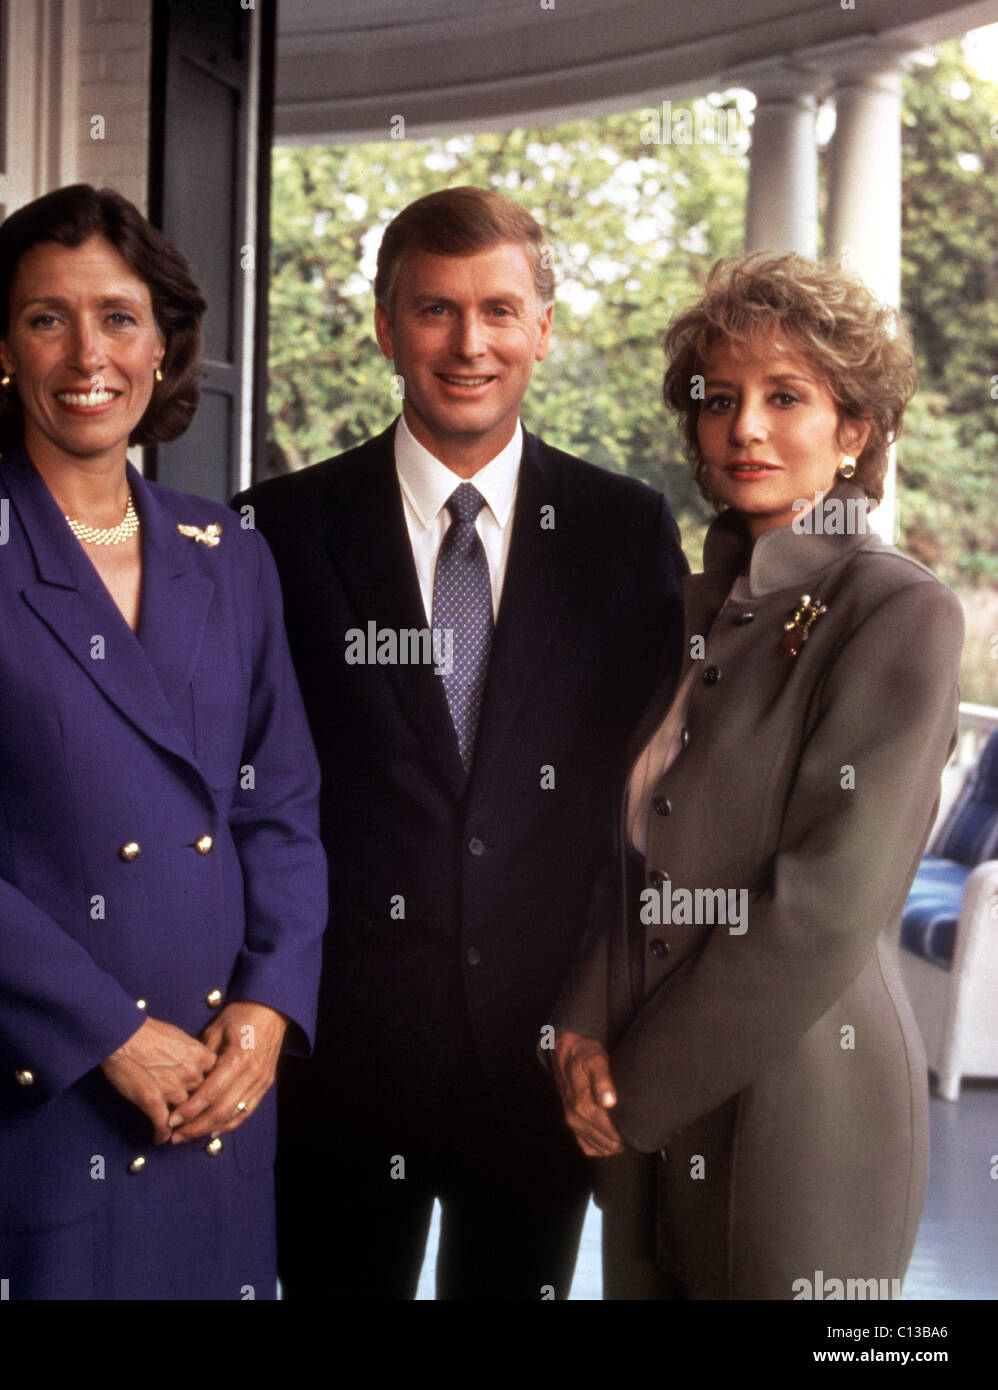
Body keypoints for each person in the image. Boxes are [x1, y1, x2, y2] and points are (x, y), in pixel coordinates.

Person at [0, 184, 327, 1300]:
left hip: (216, 1090)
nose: (86, 353)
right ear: (1, 348)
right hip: (40, 1092)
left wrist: (266, 1009)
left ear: (163, 345)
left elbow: (280, 808)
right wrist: (111, 1034)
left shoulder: (228, 549)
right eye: (46, 317)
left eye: (118, 316)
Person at [235, 186, 684, 1299]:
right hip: (335, 1056)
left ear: (543, 325)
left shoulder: (626, 532)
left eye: (498, 309)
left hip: (544, 1057)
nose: (468, 343)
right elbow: (236, 794)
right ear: (387, 329)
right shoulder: (271, 532)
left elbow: (655, 798)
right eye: (434, 310)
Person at [551, 252, 963, 1299]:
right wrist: (582, 1029)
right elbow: (632, 855)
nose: (745, 428)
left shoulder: (897, 610)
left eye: (787, 397)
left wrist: (631, 1092)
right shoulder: (701, 607)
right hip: (642, 1107)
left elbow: (823, 907)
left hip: (801, 1106)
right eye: (719, 399)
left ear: (854, 430)